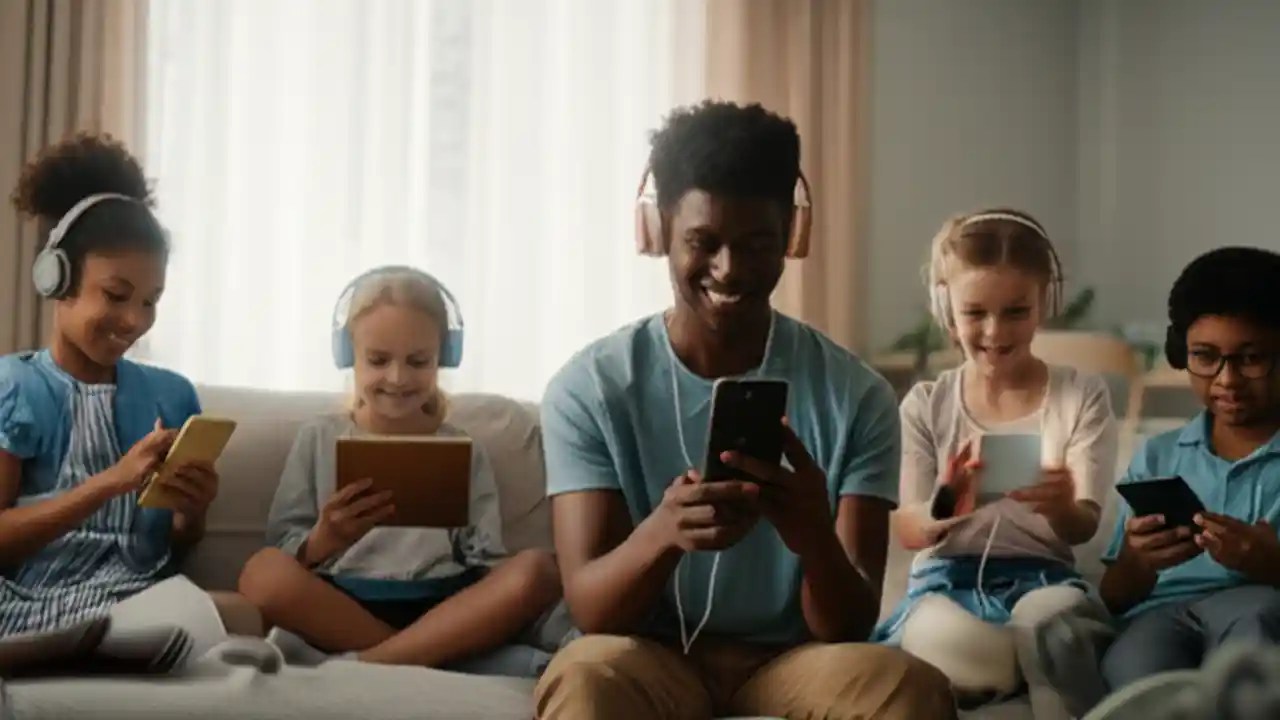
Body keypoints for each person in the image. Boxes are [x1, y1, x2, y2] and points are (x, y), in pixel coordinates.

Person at [533, 100, 955, 719]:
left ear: (792, 234)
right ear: (658, 232)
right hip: (645, 657)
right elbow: (592, 611)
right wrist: (662, 534)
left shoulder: (855, 395)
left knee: (908, 685)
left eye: (758, 243)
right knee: (584, 675)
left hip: (791, 662)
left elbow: (849, 626)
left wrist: (813, 534)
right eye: (703, 242)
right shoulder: (589, 388)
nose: (730, 270)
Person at [237, 267, 562, 675]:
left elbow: (487, 559)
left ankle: (368, 664)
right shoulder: (318, 438)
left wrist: (477, 558)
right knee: (262, 572)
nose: (397, 377)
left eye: (418, 361)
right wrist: (323, 539)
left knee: (538, 570)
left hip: (443, 603)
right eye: (377, 360)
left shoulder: (462, 447)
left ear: (443, 358)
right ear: (347, 357)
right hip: (343, 605)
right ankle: (430, 657)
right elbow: (283, 546)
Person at [875, 209, 1118, 716]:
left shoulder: (1080, 395)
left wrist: (1061, 505)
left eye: (1015, 311)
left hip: (1044, 581)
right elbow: (907, 528)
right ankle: (1026, 662)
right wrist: (946, 501)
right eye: (974, 312)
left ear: (1044, 302)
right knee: (950, 636)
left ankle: (1029, 657)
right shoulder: (925, 404)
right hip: (946, 582)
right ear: (946, 306)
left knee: (1049, 618)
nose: (994, 332)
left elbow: (1083, 527)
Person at [0, 134, 219, 643]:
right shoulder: (15, 387)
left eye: (151, 300)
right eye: (117, 295)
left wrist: (192, 514)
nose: (134, 320)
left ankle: (86, 648)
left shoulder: (173, 397)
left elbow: (171, 550)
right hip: (26, 601)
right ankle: (62, 647)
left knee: (242, 614)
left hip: (137, 599)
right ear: (56, 280)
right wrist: (112, 482)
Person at [1090, 247, 1280, 694]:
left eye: (1251, 358)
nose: (1226, 379)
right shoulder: (1157, 455)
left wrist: (1269, 563)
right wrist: (1140, 561)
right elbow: (1114, 596)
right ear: (1181, 353)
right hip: (1158, 615)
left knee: (1253, 635)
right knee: (1134, 672)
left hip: (1260, 606)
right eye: (1205, 356)